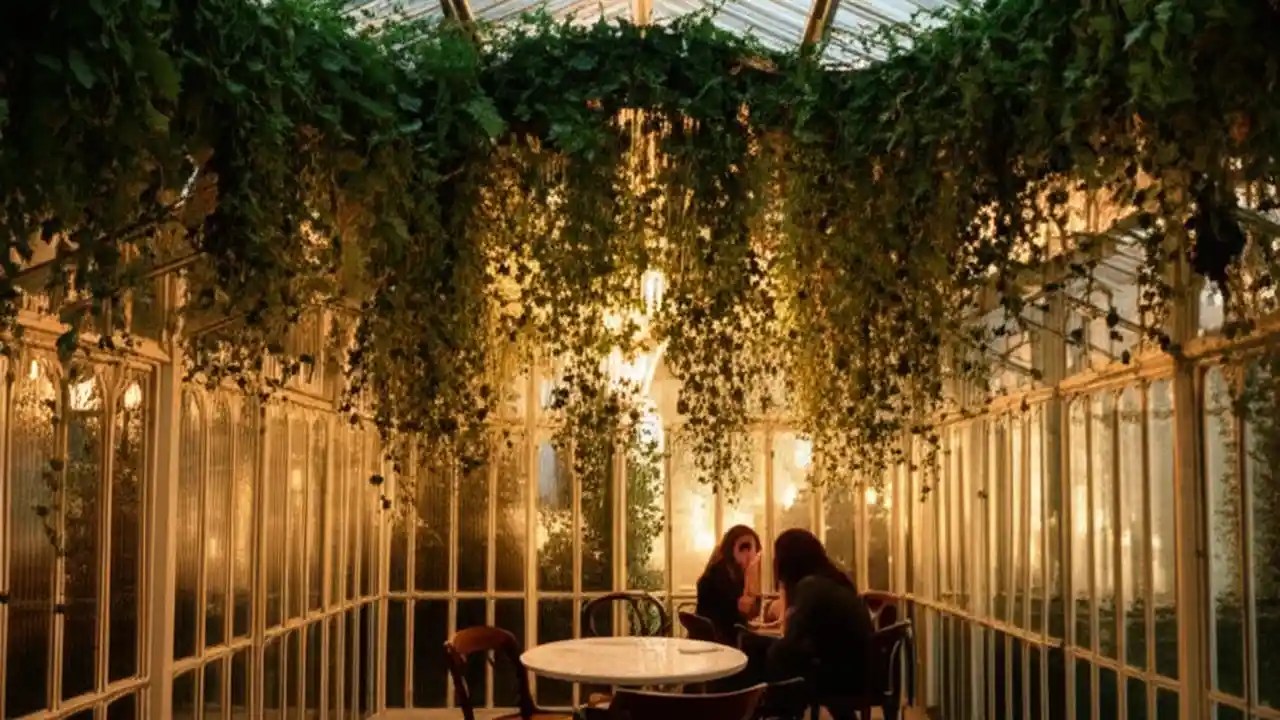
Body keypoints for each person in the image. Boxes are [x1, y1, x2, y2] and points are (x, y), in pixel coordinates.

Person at [766, 528, 875, 700]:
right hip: (861, 672)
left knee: (772, 659)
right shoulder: (833, 581)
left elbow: (790, 640)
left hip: (842, 678)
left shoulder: (811, 587)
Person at [695, 525, 762, 644]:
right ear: (731, 549)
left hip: (710, 641)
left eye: (752, 549)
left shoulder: (722, 571)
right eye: (744, 548)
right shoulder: (719, 576)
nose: (749, 555)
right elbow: (742, 613)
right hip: (721, 644)